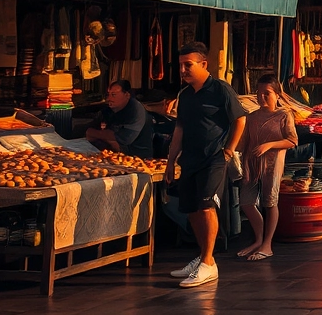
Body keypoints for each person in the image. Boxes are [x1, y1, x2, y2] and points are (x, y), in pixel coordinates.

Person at [164, 43, 246, 288]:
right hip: (189, 159)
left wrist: (229, 150)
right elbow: (179, 129)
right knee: (191, 209)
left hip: (214, 158)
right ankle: (203, 258)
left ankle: (208, 263)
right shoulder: (185, 95)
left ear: (203, 64)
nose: (183, 70)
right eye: (181, 65)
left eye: (188, 65)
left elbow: (240, 119)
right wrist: (171, 162)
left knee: (207, 207)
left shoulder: (220, 89)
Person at [236, 76, 298, 261]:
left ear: (277, 95)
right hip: (251, 164)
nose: (262, 97)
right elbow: (243, 143)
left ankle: (267, 244)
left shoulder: (284, 115)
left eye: (267, 94)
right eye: (259, 93)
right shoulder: (251, 117)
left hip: (272, 164)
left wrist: (270, 145)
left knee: (270, 201)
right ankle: (258, 239)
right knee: (246, 202)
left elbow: (292, 140)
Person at [86, 79, 154, 158]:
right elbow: (93, 127)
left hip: (138, 157)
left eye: (114, 95)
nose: (109, 98)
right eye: (108, 95)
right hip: (115, 154)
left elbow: (125, 139)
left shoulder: (136, 109)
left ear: (127, 95)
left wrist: (95, 134)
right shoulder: (109, 109)